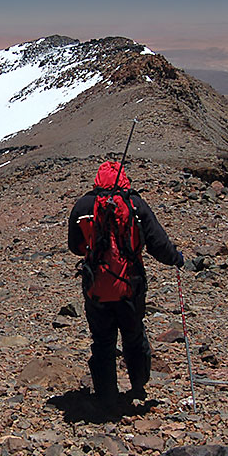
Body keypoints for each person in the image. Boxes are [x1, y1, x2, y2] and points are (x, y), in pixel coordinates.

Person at [68, 160, 183, 406]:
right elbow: (157, 243)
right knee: (133, 334)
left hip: (96, 286)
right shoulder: (134, 204)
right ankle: (138, 387)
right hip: (131, 285)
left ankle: (105, 396)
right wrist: (176, 259)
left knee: (102, 341)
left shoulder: (83, 205)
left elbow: (74, 247)